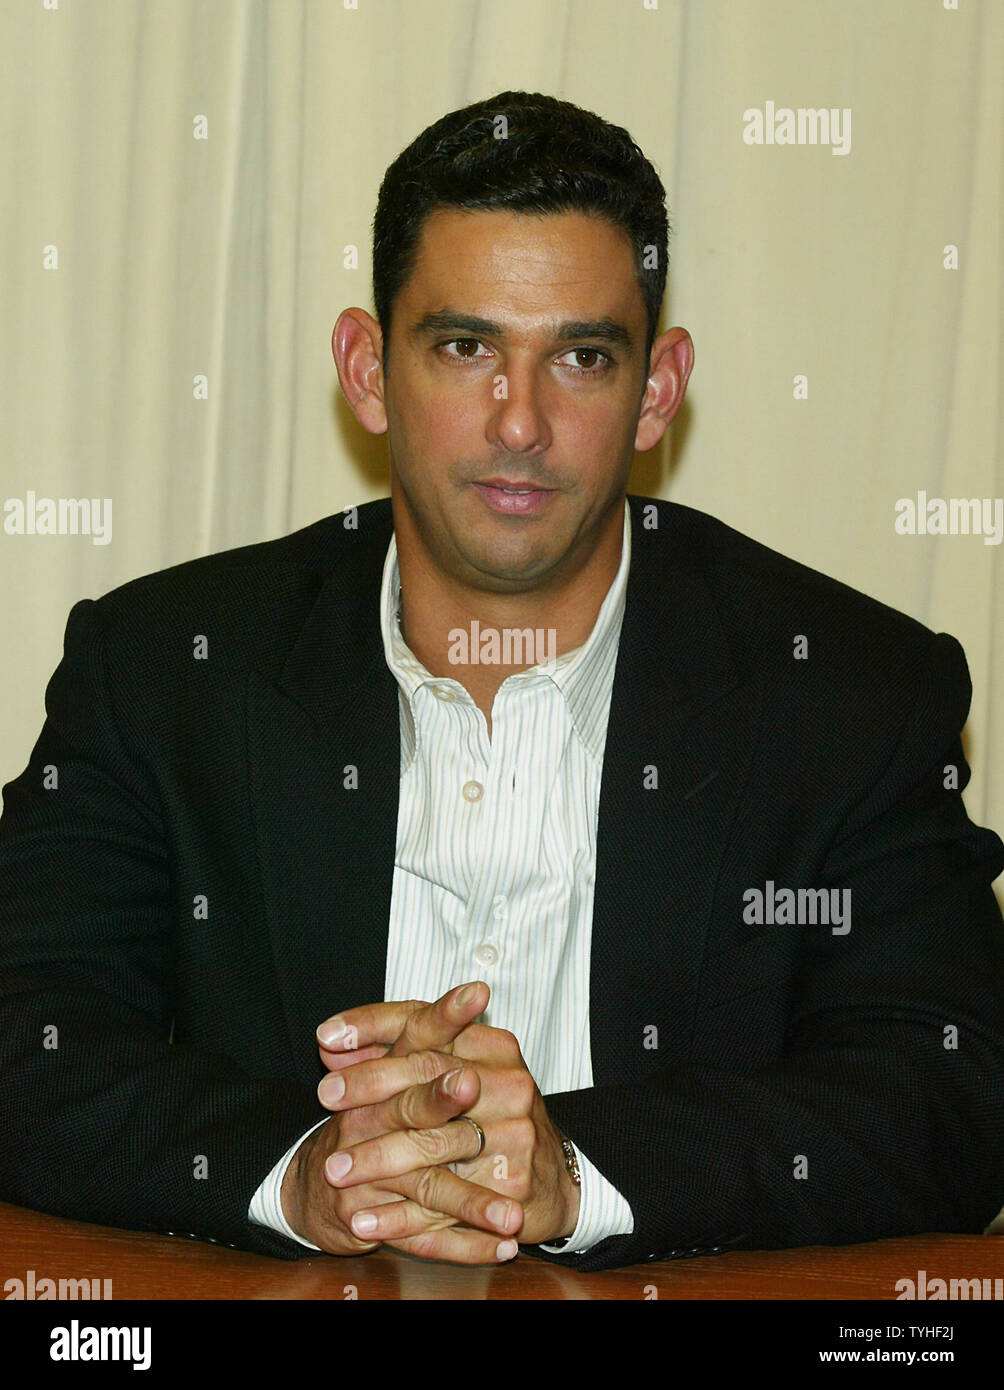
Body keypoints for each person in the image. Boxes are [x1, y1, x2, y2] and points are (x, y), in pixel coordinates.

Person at [1, 91, 1002, 1274]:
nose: (518, 421)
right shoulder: (165, 666)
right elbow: (28, 1029)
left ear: (657, 391)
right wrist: (313, 1169)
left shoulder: (850, 690)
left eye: (581, 356)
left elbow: (949, 1081)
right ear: (368, 372)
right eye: (463, 347)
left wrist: (572, 1165)